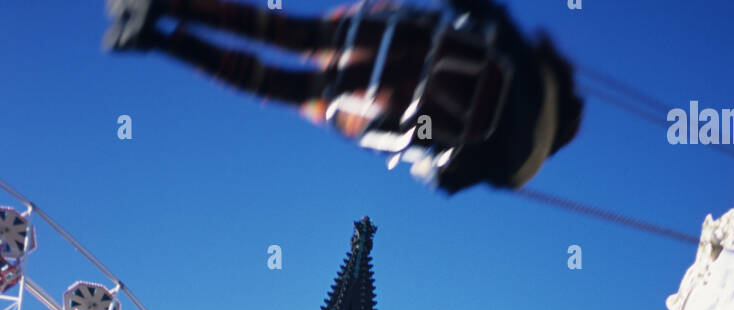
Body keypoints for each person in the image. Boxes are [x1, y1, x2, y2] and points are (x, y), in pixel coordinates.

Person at [102, 0, 582, 195]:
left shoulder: (528, 68)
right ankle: (162, 42)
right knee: (279, 85)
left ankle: (169, 7)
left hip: (401, 40)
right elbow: (446, 177)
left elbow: (478, 9)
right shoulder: (509, 160)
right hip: (386, 111)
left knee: (289, 32)